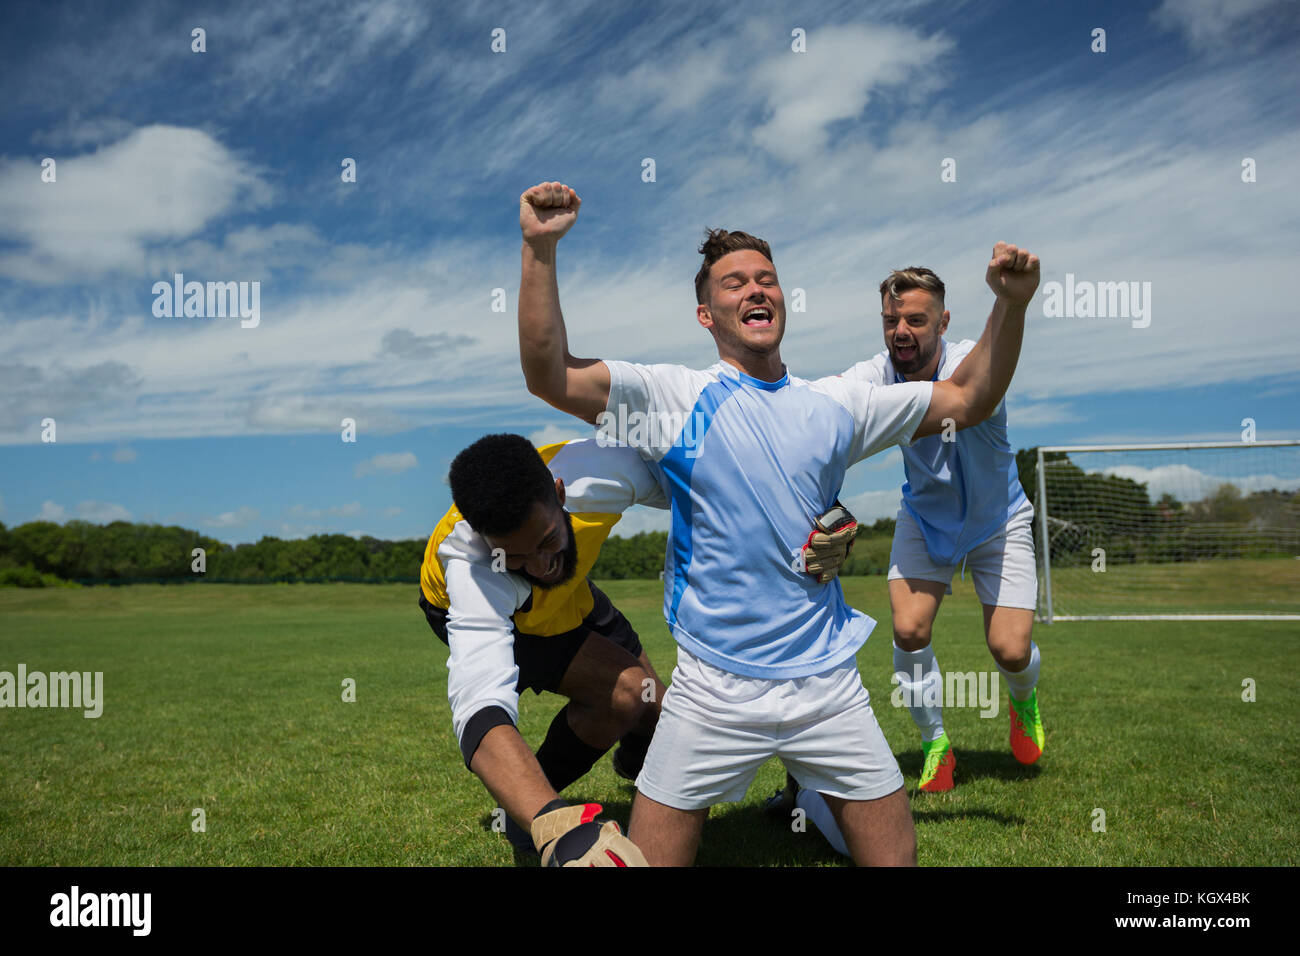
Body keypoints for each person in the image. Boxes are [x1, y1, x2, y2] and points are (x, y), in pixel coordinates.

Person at [514, 180, 1040, 866]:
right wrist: (539, 250)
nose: (755, 289)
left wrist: (1011, 303)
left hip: (827, 686)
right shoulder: (674, 397)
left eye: (766, 278)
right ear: (706, 313)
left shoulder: (838, 405)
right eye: (734, 282)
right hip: (710, 688)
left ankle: (809, 795)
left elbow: (968, 396)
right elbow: (549, 373)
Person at [840, 266, 1045, 792]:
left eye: (914, 319)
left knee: (1010, 649)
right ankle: (937, 744)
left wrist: (1012, 302)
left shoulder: (972, 364)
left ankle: (1023, 702)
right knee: (908, 630)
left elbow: (971, 392)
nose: (900, 331)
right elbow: (824, 405)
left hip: (996, 520)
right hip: (925, 518)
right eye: (891, 320)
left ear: (943, 320)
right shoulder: (874, 375)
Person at [419, 434, 667, 865]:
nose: (538, 566)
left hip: (573, 596)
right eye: (514, 555)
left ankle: (635, 755)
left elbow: (706, 478)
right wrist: (553, 826)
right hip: (509, 619)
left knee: (654, 705)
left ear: (559, 491)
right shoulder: (472, 567)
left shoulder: (601, 470)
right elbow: (480, 705)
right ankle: (527, 815)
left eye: (547, 539)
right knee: (626, 692)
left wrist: (815, 519)